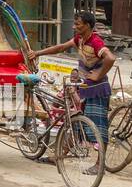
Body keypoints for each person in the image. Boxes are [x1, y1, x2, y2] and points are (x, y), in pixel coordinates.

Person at [32, 11, 115, 160]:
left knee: (98, 128)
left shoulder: (95, 42)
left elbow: (111, 58)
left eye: (78, 24)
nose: (74, 26)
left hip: (97, 90)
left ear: (88, 25)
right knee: (77, 124)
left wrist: (98, 74)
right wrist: (37, 53)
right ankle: (59, 156)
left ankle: (98, 165)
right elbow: (61, 47)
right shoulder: (80, 39)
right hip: (84, 88)